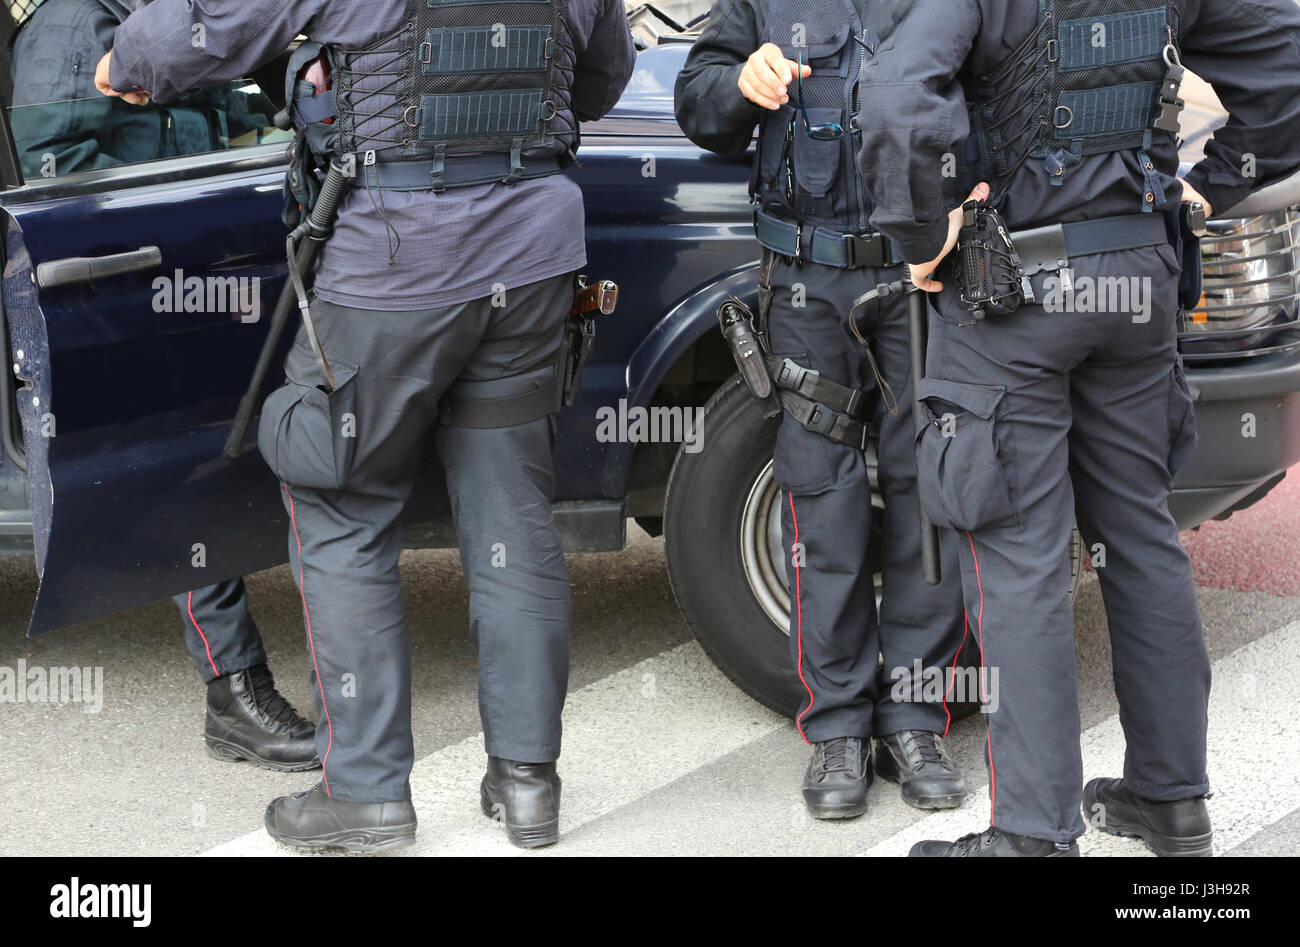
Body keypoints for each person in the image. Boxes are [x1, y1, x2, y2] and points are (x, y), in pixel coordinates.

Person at [96, 0, 635, 852]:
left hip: (395, 265)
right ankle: (529, 783)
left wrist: (121, 63)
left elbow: (174, 44)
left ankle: (368, 795)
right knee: (512, 519)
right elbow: (602, 83)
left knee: (341, 508)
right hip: (533, 261)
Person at [853, 0, 1300, 855]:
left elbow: (901, 97)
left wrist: (922, 233)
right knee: (1137, 532)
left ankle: (1031, 834)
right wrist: (1222, 178)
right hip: (1135, 277)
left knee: (1019, 556)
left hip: (1016, 286)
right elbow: (1285, 62)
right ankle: (1171, 799)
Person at [675, 0, 969, 820]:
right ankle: (838, 725)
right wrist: (740, 82)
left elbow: (1003, 96)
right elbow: (697, 101)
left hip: (924, 279)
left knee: (929, 498)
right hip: (808, 284)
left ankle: (914, 720)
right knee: (823, 500)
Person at [10, 0, 316, 773]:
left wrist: (283, 136)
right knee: (189, 474)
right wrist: (167, 198)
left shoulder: (172, 17)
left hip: (194, 264)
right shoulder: (73, 30)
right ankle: (235, 692)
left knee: (235, 453)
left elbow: (222, 119)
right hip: (121, 276)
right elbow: (50, 166)